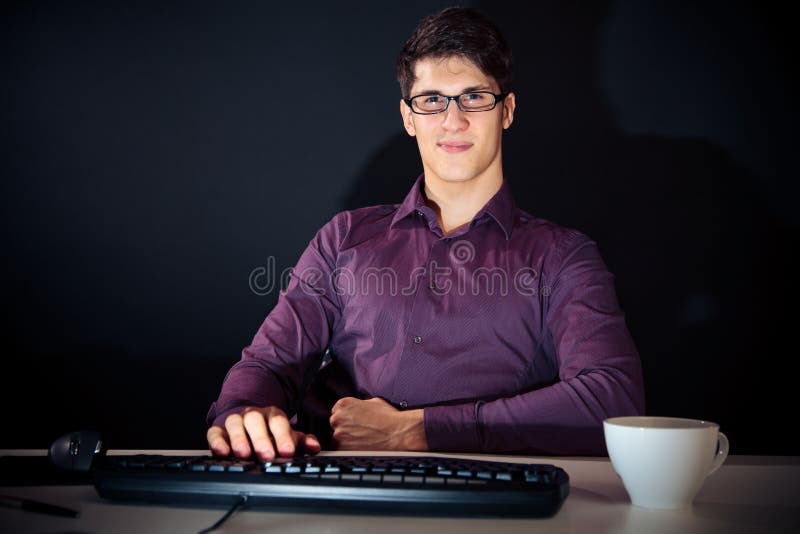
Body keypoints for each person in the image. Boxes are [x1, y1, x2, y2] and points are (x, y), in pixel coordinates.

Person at [206, 7, 645, 461]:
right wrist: (243, 414)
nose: (453, 120)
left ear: (507, 111)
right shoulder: (343, 238)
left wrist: (418, 431)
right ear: (408, 117)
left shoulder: (564, 257)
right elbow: (269, 364)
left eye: (474, 97)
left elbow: (611, 400)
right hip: (341, 496)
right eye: (432, 100)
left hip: (492, 505)